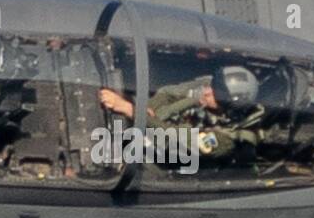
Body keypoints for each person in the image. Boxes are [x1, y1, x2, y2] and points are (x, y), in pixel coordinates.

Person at [99, 65, 262, 162]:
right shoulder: (213, 84)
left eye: (215, 94)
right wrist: (147, 110)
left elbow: (173, 141)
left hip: (171, 164)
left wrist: (132, 111)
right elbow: (168, 93)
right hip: (153, 128)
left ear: (228, 107)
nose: (206, 91)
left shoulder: (226, 140)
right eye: (212, 86)